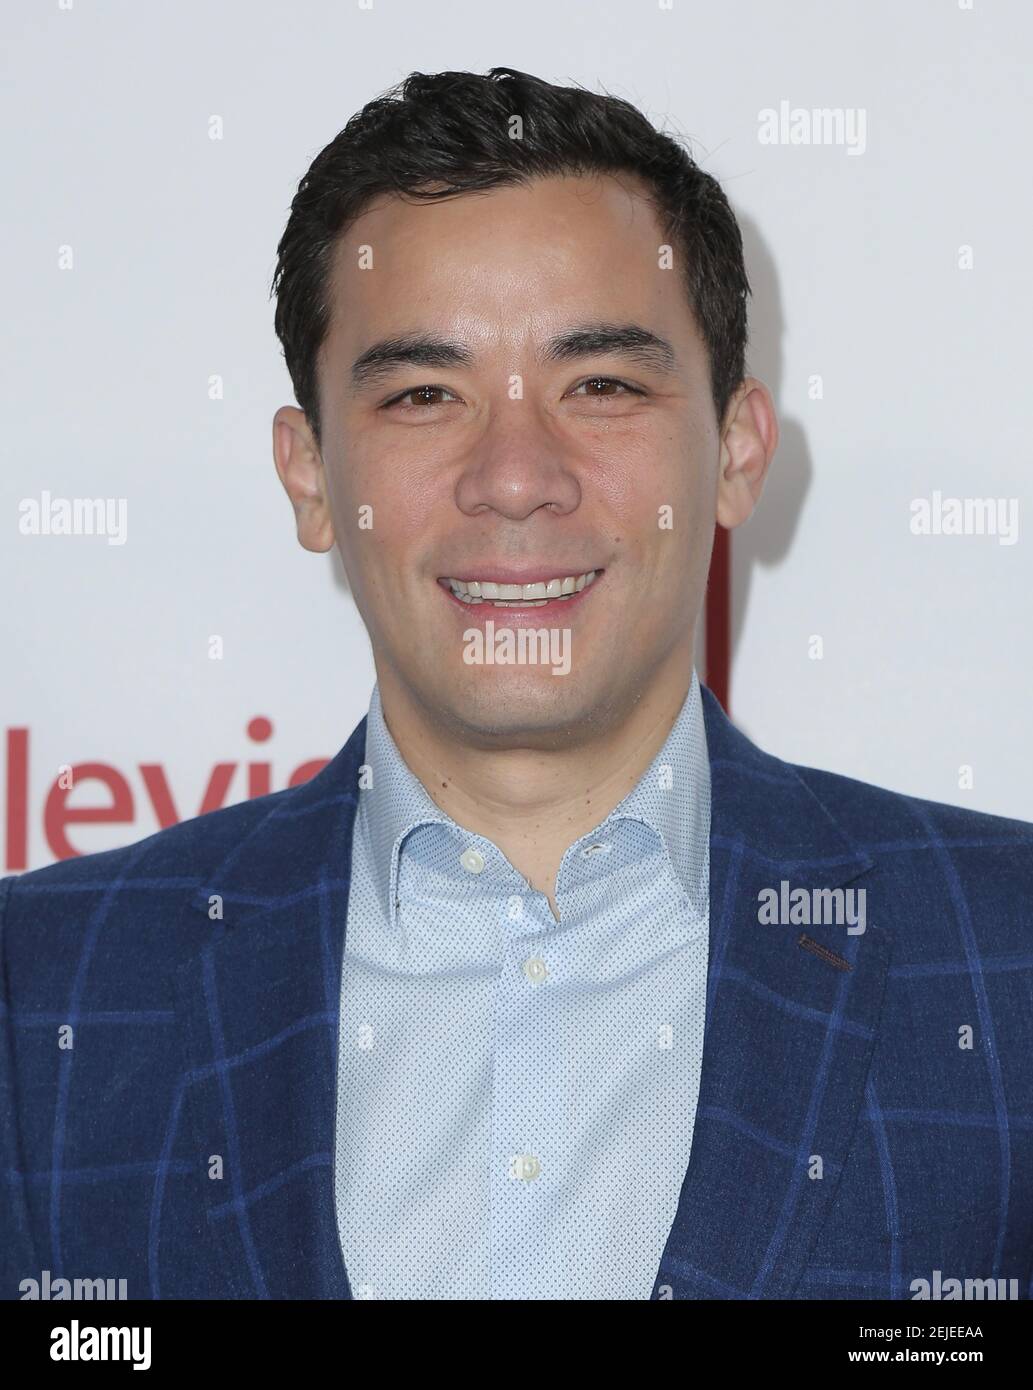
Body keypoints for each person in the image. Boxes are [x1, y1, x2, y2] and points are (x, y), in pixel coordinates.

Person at [3, 68, 1031, 1302]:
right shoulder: (46, 996)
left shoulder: (1003, 953)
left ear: (737, 454)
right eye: (424, 394)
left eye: (600, 385)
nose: (515, 475)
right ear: (311, 476)